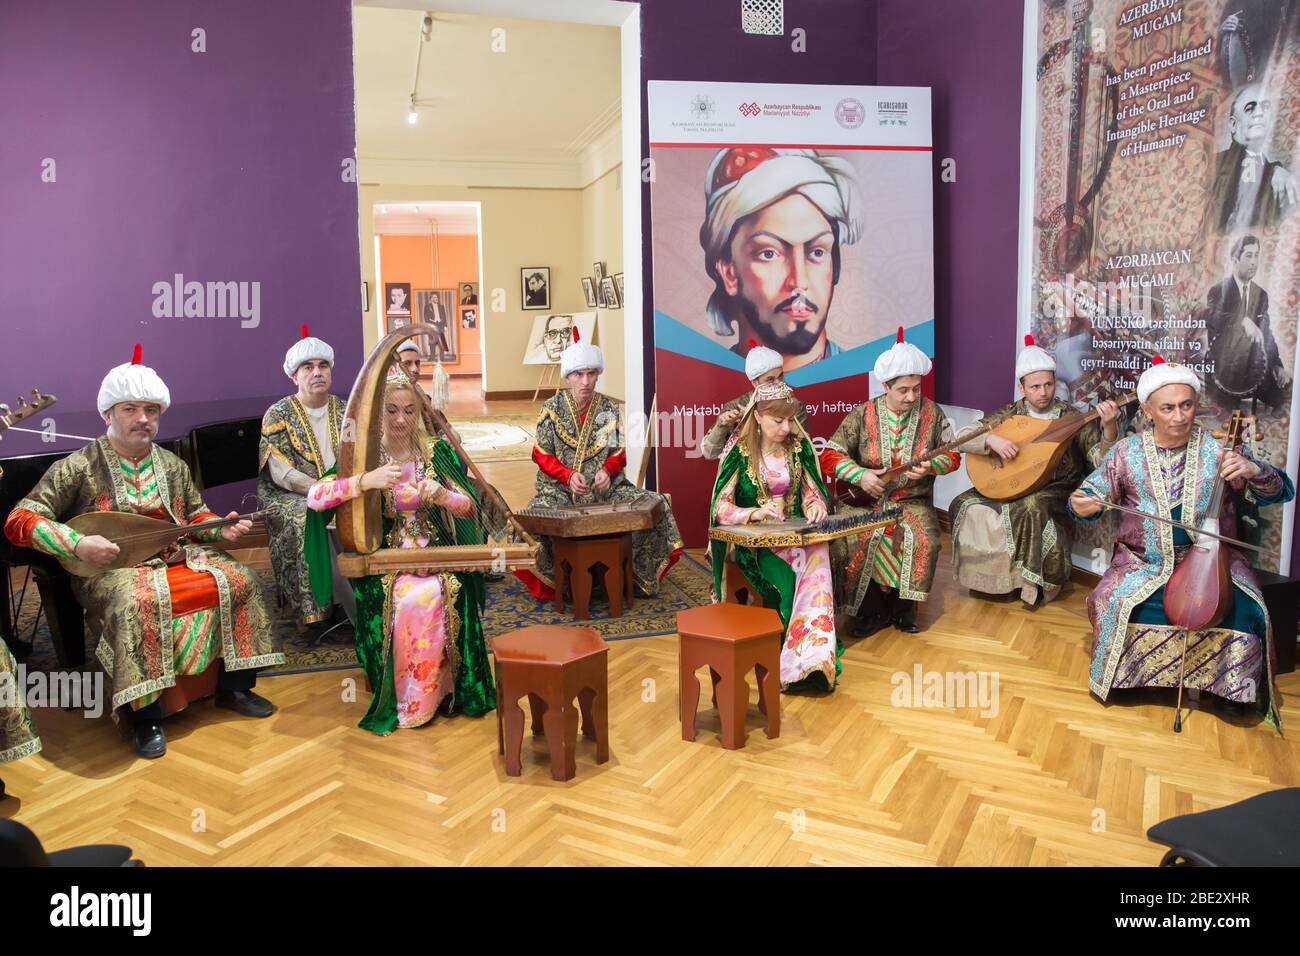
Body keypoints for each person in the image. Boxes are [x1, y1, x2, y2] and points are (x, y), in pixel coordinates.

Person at [4, 344, 281, 758]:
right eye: (130, 409)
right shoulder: (78, 466)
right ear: (108, 415)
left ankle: (233, 688)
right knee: (136, 604)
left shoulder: (172, 464)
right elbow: (20, 519)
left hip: (175, 557)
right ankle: (145, 716)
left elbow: (194, 516)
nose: (143, 419)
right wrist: (76, 542)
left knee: (242, 580)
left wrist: (220, 531)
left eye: (151, 410)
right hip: (111, 570)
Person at [1068, 357, 1294, 728]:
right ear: (1147, 410)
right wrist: (1083, 502)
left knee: (1247, 610)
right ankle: (1128, 678)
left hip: (1214, 562)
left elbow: (1279, 491)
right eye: (1168, 408)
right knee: (1112, 599)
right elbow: (1089, 498)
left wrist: (1256, 471)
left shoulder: (1220, 452)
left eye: (1186, 405)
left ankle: (1233, 691)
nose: (1179, 416)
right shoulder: (1126, 452)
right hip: (1143, 563)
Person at [306, 365, 493, 733]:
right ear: (377, 413)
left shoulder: (436, 453)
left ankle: (447, 692)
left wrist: (443, 496)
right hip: (387, 561)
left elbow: (470, 507)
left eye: (409, 411)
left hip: (435, 553)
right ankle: (411, 701)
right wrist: (364, 481)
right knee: (411, 599)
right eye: (391, 410)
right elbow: (315, 497)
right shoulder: (364, 457)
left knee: (446, 589)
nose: (401, 419)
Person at [949, 334, 1118, 606]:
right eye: (1035, 386)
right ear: (1022, 388)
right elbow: (962, 438)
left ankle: (1032, 583)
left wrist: (1109, 428)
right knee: (962, 502)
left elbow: (1101, 461)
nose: (1043, 393)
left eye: (1048, 384)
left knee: (1030, 506)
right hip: (1011, 481)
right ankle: (988, 581)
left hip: (1055, 488)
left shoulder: (1071, 417)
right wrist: (991, 439)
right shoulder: (1010, 414)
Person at [516, 328, 683, 599]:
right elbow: (541, 454)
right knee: (532, 518)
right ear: (568, 376)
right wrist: (568, 476)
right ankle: (562, 583)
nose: (585, 381)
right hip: (560, 491)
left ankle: (633, 574)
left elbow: (618, 452)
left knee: (656, 503)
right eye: (579, 374)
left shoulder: (607, 408)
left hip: (606, 490)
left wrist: (608, 470)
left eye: (591, 374)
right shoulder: (550, 408)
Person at [819, 328, 960, 635]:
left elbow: (953, 457)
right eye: (903, 390)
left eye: (916, 388)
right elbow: (830, 455)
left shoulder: (932, 413)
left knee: (925, 540)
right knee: (855, 537)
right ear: (885, 386)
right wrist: (862, 476)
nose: (911, 396)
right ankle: (869, 613)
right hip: (866, 503)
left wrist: (930, 466)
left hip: (913, 502)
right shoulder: (863, 414)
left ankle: (903, 610)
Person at [709, 380, 839, 691]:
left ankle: (813, 661)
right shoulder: (739, 451)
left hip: (795, 535)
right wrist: (753, 512)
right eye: (777, 420)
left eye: (790, 420)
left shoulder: (797, 448)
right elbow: (720, 508)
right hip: (756, 544)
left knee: (818, 550)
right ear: (757, 416)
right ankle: (799, 658)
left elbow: (812, 492)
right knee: (805, 566)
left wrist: (815, 505)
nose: (786, 428)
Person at [700, 147, 861, 371]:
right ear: (728, 272)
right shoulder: (713, 394)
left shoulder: (864, 384)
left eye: (816, 252)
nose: (799, 282)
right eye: (769, 253)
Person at [258, 325, 348, 628]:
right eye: (307, 367)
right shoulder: (278, 413)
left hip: (341, 487)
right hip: (292, 494)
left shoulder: (346, 410)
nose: (317, 372)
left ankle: (357, 598)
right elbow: (279, 470)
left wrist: (342, 487)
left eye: (323, 365)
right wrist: (319, 489)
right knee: (306, 513)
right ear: (294, 376)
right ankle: (317, 606)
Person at [1204, 234, 1290, 408]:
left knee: (1288, 393)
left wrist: (1277, 365)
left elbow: (1267, 333)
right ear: (1235, 260)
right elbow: (1214, 318)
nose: (1254, 262)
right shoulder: (1218, 291)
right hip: (1223, 372)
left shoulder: (1261, 295)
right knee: (1229, 419)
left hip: (1254, 369)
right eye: (1248, 255)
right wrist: (1243, 320)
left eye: (1257, 255)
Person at [700, 340, 810, 460]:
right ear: (754, 383)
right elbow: (709, 454)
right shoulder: (736, 407)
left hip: (783, 473)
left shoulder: (794, 405)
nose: (778, 383)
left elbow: (804, 450)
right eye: (770, 380)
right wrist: (722, 426)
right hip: (745, 475)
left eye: (781, 376)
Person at [1210, 83, 1296, 232]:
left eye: (1266, 107)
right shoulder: (1213, 163)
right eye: (1250, 108)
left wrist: (1276, 168)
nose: (1259, 113)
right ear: (1233, 124)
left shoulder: (1278, 173)